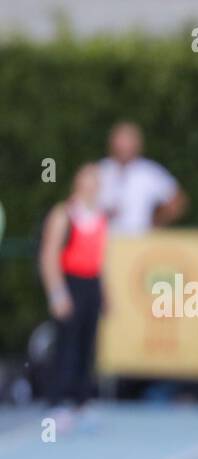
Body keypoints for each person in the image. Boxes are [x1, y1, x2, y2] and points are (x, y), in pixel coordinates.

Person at [39, 163, 108, 429]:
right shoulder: (63, 214)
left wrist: (105, 294)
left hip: (91, 284)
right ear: (79, 183)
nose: (93, 185)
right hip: (70, 283)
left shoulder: (100, 217)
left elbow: (101, 259)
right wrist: (57, 293)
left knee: (87, 344)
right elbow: (48, 255)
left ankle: (81, 400)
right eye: (88, 180)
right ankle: (57, 401)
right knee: (66, 344)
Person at [98, 121, 188, 234]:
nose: (123, 146)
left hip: (139, 242)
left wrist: (155, 224)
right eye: (120, 141)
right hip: (106, 240)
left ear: (137, 144)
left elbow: (177, 202)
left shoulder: (149, 172)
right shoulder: (101, 170)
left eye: (128, 141)